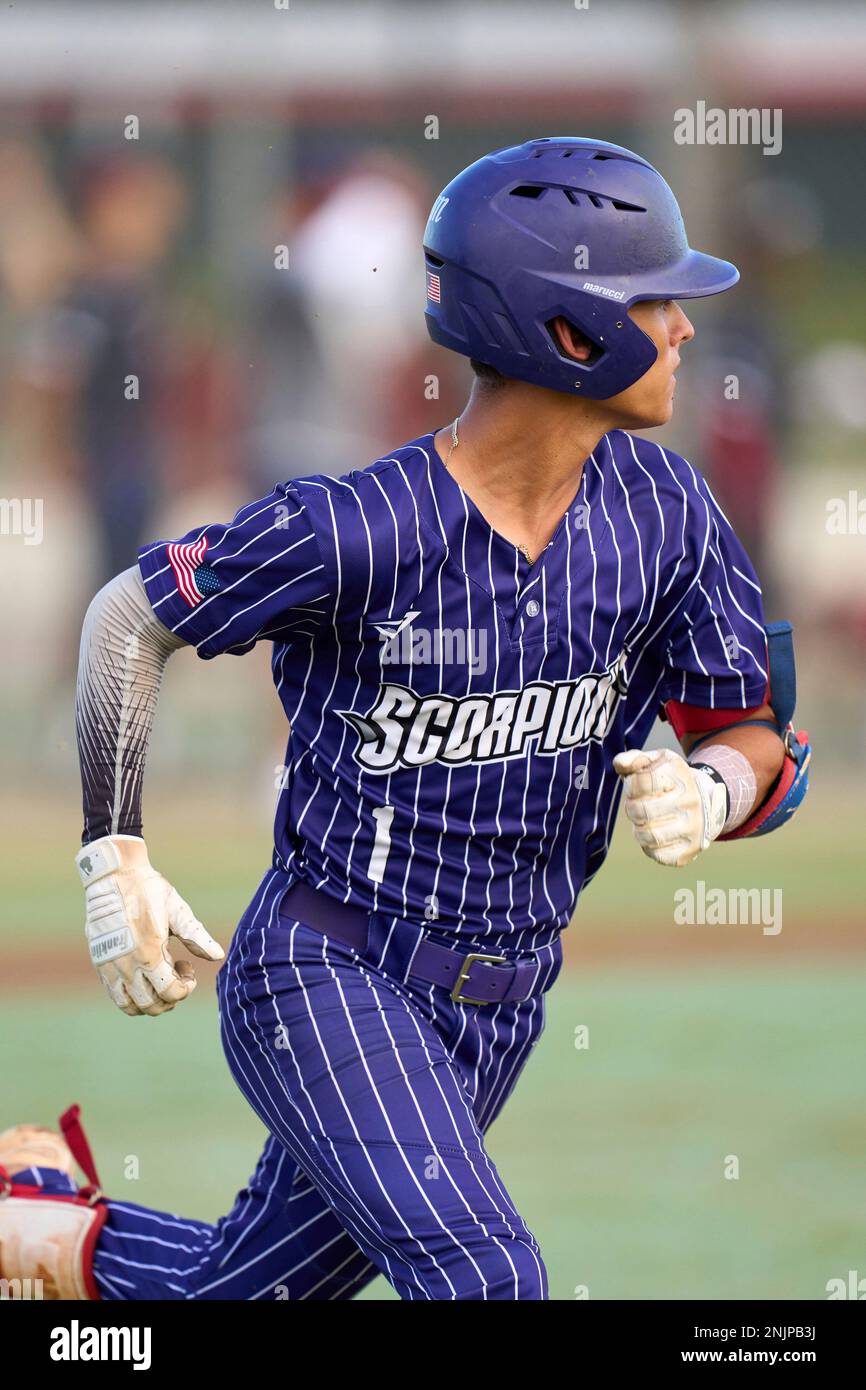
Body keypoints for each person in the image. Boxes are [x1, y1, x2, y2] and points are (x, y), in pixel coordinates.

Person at [0, 137, 810, 1302]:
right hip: (324, 972)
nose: (681, 329)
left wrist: (718, 785)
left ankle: (38, 1237)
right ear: (567, 330)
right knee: (487, 1277)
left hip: (501, 1002)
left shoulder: (666, 508)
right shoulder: (358, 526)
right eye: (652, 300)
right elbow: (131, 616)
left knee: (238, 1294)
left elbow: (755, 729)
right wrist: (111, 851)